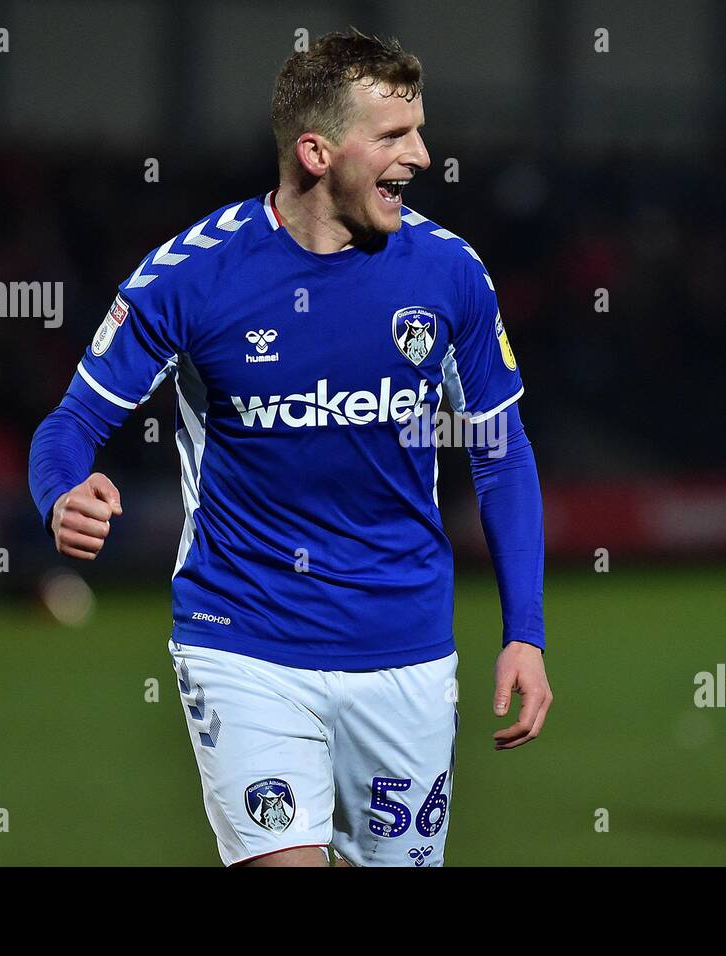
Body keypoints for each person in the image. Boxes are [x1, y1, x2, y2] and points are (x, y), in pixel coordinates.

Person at [28, 28, 550, 867]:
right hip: (242, 637)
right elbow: (70, 424)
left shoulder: (449, 273)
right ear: (315, 151)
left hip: (404, 649)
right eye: (393, 136)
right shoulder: (191, 276)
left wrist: (525, 630)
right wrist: (61, 491)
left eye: (418, 131)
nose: (421, 156)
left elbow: (501, 453)